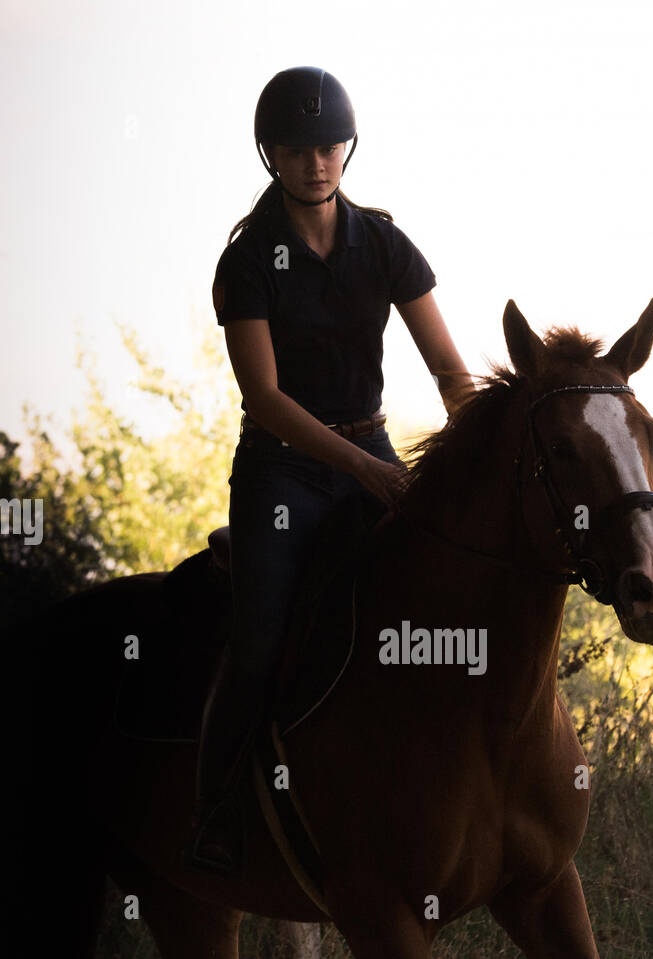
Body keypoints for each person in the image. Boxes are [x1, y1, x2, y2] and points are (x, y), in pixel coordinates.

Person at [186, 66, 473, 876]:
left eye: (329, 146)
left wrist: (475, 448)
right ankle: (215, 815)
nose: (317, 162)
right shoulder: (246, 263)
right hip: (282, 472)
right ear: (270, 154)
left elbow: (450, 372)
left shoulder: (384, 242)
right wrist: (366, 471)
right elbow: (266, 400)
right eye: (298, 148)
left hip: (371, 450)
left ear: (350, 148)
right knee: (260, 642)